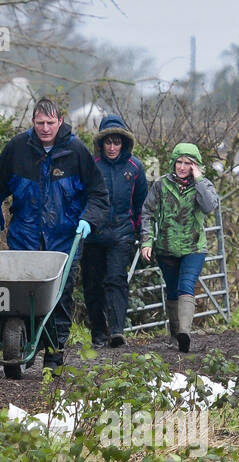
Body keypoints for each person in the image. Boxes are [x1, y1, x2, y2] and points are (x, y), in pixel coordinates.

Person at [0, 98, 109, 369]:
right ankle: (19, 343)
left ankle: (54, 352)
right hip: (24, 237)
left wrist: (88, 220)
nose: (45, 128)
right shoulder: (17, 149)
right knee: (18, 296)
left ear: (60, 122)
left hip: (63, 240)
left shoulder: (76, 151)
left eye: (51, 123)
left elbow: (98, 193)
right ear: (33, 122)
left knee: (59, 296)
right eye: (40, 123)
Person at [139, 142, 219, 353]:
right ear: (173, 163)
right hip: (166, 247)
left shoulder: (204, 185)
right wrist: (147, 241)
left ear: (195, 165)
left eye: (188, 163)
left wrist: (199, 178)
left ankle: (185, 332)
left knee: (186, 285)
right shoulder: (161, 185)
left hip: (194, 247)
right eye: (179, 162)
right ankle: (176, 336)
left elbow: (210, 205)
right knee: (173, 290)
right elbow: (147, 212)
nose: (182, 167)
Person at [81, 115, 147, 348]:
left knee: (116, 279)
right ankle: (99, 332)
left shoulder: (135, 168)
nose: (112, 147)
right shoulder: (90, 166)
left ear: (123, 143)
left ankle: (117, 330)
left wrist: (143, 235)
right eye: (108, 142)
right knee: (92, 283)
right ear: (101, 143)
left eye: (116, 142)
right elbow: (80, 198)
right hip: (93, 235)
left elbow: (141, 205)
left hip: (122, 233)